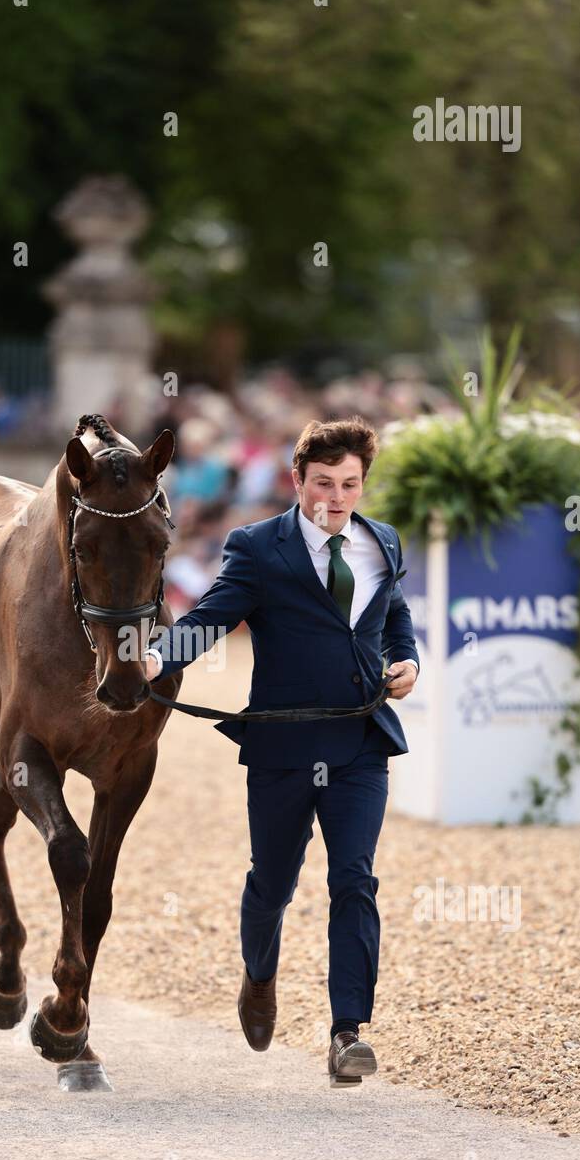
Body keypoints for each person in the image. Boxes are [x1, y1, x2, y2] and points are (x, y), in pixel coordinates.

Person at [144, 417, 419, 1087]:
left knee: (353, 879)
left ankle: (347, 1033)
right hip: (283, 745)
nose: (335, 496)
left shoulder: (381, 541)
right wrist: (154, 659)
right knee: (272, 884)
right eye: (323, 482)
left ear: (362, 483)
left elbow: (394, 614)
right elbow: (211, 617)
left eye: (349, 483)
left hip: (360, 741)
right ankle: (259, 977)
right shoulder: (258, 548)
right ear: (296, 479)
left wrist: (406, 660)